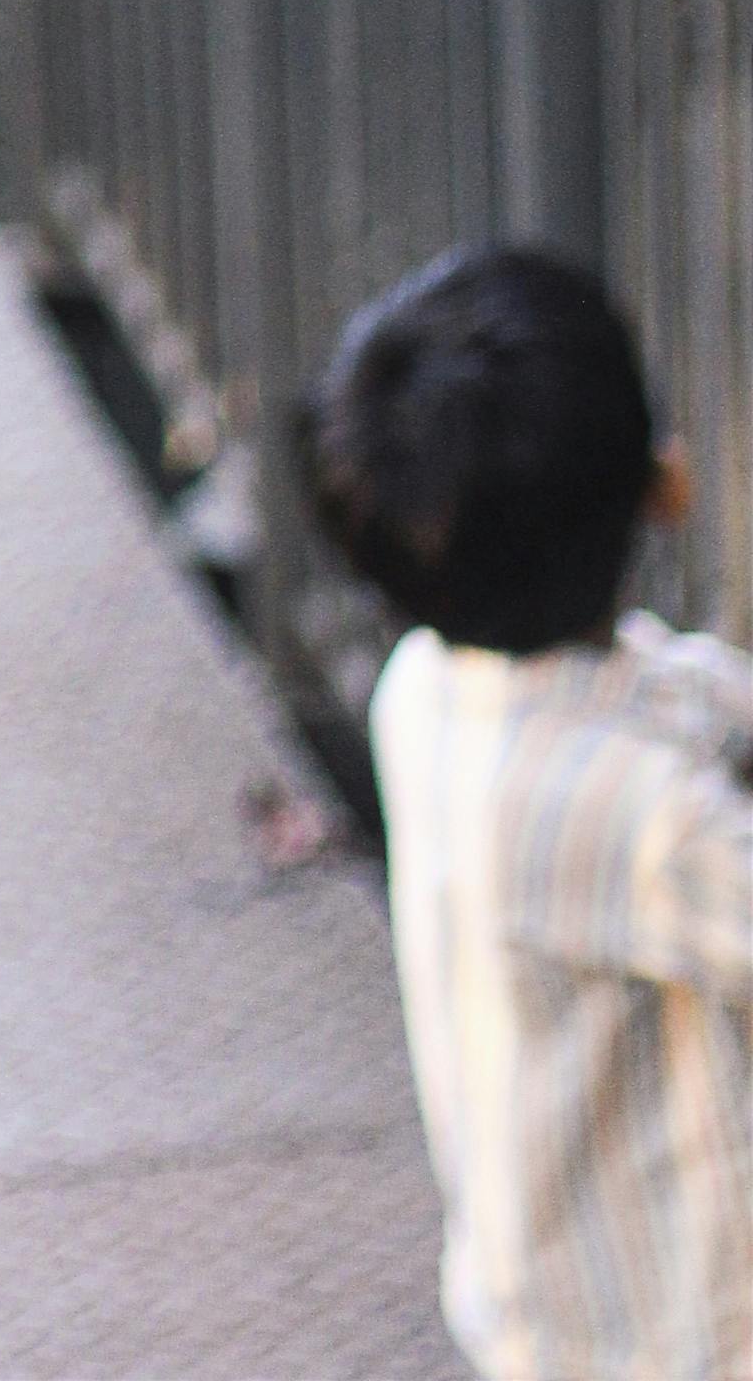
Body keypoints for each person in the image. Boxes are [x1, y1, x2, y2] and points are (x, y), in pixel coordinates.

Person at [307, 238, 753, 1380]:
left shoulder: (425, 685)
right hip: (673, 1344)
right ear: (666, 488)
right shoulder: (645, 823)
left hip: (541, 1308)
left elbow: (672, 687)